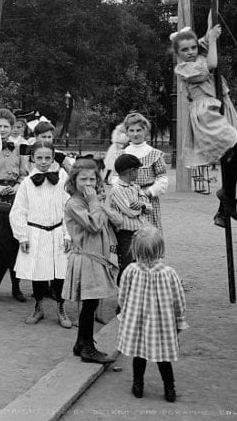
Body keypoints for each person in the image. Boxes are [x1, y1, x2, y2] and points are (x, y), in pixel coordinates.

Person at [172, 13, 237, 226]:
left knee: (233, 154)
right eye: (184, 50)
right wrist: (213, 40)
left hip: (221, 105)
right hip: (207, 112)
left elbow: (210, 27)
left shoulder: (200, 51)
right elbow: (213, 64)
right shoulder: (184, 68)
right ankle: (227, 197)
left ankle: (224, 208)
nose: (190, 52)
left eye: (193, 48)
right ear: (177, 53)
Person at [117, 227, 188, 402]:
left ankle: (138, 385)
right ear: (160, 249)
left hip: (138, 324)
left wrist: (124, 313)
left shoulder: (130, 271)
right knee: (164, 359)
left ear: (135, 249)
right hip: (161, 326)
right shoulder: (169, 273)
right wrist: (179, 321)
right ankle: (169, 388)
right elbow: (178, 300)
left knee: (138, 355)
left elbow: (122, 295)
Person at [10, 141, 72, 328]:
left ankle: (61, 308)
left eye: (47, 158)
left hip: (57, 232)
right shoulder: (27, 184)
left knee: (59, 273)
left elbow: (68, 210)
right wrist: (22, 236)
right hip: (36, 232)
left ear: (53, 158)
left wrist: (68, 235)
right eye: (39, 158)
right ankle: (38, 307)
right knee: (38, 272)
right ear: (33, 159)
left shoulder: (61, 182)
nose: (43, 162)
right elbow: (18, 211)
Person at [63, 158, 119, 364]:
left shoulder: (89, 201)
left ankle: (81, 343)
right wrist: (96, 202)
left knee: (92, 303)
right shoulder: (74, 204)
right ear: (74, 180)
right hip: (86, 259)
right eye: (83, 179)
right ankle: (87, 348)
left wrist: (98, 203)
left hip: (96, 258)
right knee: (88, 305)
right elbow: (94, 225)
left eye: (92, 179)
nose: (88, 183)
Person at [0, 108, 29, 304]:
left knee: (14, 241)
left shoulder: (21, 148)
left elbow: (25, 174)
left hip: (15, 197)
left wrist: (17, 187)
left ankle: (16, 286)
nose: (2, 130)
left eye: (5, 126)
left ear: (12, 128)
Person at [104, 154, 150, 285]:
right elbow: (129, 210)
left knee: (139, 264)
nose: (138, 173)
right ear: (130, 171)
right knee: (127, 265)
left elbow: (148, 205)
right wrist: (141, 206)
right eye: (137, 170)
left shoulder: (135, 187)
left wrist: (143, 205)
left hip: (139, 232)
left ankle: (134, 294)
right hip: (126, 234)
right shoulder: (117, 189)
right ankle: (122, 296)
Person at [122, 113, 167, 232]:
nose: (135, 134)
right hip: (127, 201)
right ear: (127, 132)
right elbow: (116, 178)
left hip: (148, 201)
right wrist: (125, 193)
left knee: (149, 236)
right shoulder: (122, 154)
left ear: (145, 131)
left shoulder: (154, 154)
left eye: (139, 130)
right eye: (131, 130)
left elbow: (163, 180)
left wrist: (148, 192)